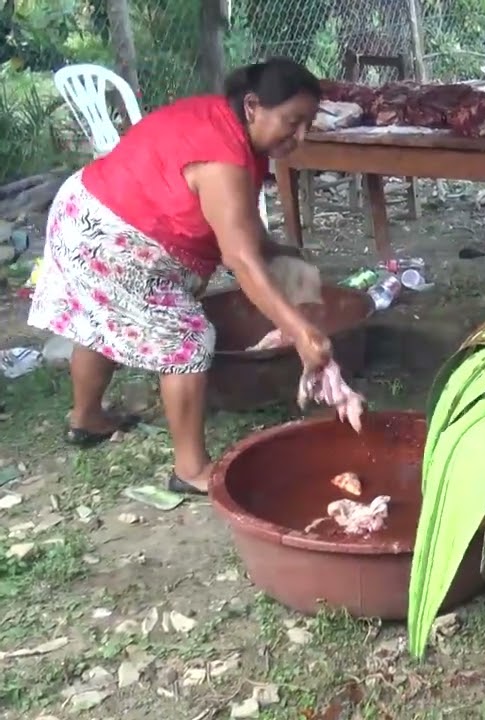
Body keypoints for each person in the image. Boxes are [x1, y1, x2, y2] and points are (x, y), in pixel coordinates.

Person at [28, 57, 334, 495]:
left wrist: (276, 251)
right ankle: (190, 470)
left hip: (86, 209)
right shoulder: (223, 155)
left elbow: (239, 218)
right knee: (188, 338)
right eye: (292, 121)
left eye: (308, 124)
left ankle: (86, 419)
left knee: (100, 319)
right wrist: (301, 332)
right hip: (111, 237)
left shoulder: (226, 122)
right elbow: (240, 258)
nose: (300, 136)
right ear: (253, 106)